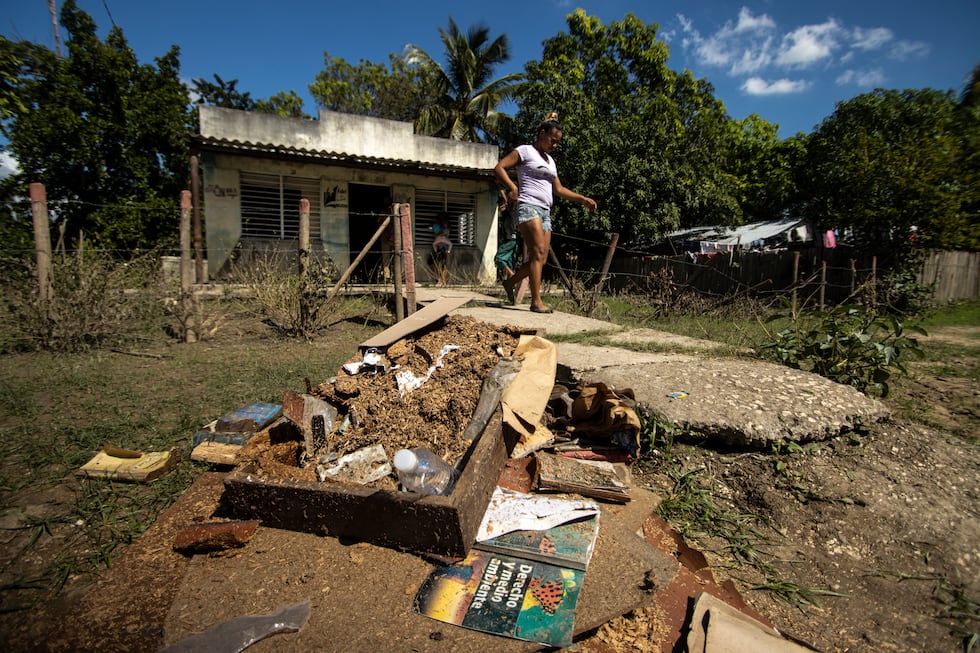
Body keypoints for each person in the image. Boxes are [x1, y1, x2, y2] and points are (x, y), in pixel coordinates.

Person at [493, 112, 597, 313]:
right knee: (539, 252)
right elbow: (499, 168)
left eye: (558, 142)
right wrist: (513, 188)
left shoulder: (550, 161)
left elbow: (558, 189)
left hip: (545, 211)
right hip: (528, 206)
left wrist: (581, 199)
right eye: (552, 140)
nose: (554, 145)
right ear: (542, 133)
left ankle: (510, 283)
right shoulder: (525, 151)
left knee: (540, 259)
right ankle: (536, 302)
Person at [431, 213, 453, 286]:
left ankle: (443, 280)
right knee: (437, 264)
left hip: (443, 247)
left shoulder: (446, 225)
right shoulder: (437, 226)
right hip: (439, 246)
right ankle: (440, 280)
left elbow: (446, 232)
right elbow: (438, 234)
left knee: (444, 265)